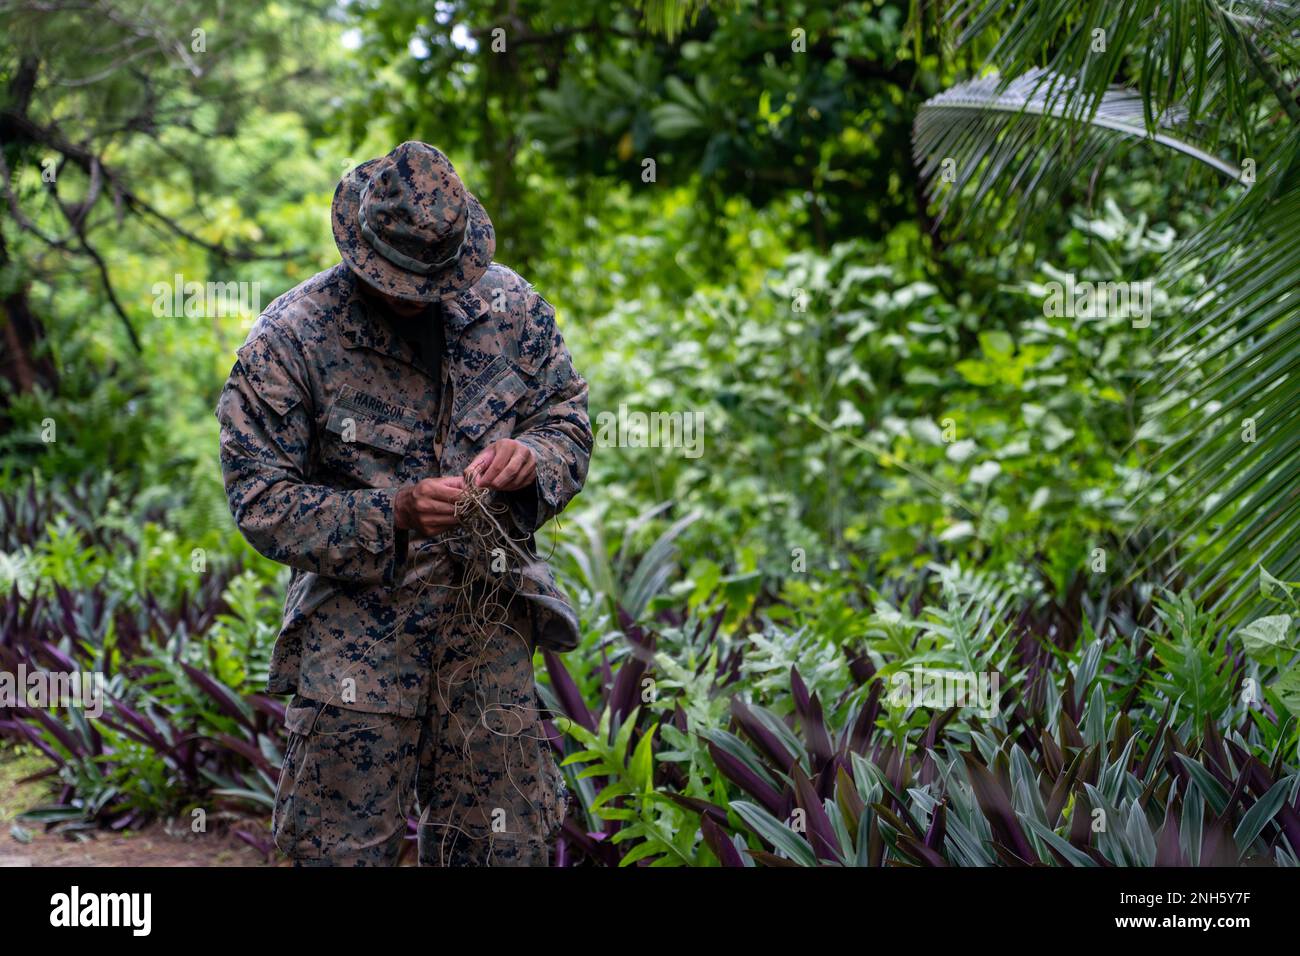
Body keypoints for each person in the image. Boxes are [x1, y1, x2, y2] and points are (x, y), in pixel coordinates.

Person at [215, 140, 592, 866]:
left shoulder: (513, 310)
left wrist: (533, 459)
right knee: (337, 854)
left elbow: (567, 417)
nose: (417, 294)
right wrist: (392, 512)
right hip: (356, 653)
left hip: (489, 636)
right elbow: (259, 497)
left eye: (436, 279)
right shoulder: (292, 337)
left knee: (505, 849)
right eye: (397, 280)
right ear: (359, 245)